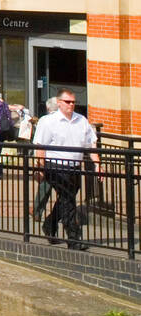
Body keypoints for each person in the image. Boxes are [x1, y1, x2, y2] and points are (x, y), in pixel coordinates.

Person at [33, 91, 99, 251]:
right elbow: (40, 146)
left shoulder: (81, 120)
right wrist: (39, 168)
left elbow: (91, 143)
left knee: (66, 197)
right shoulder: (48, 121)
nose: (71, 105)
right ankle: (74, 238)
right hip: (55, 166)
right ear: (59, 102)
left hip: (74, 167)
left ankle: (50, 224)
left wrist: (97, 163)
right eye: (67, 101)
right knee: (69, 199)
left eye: (73, 102)